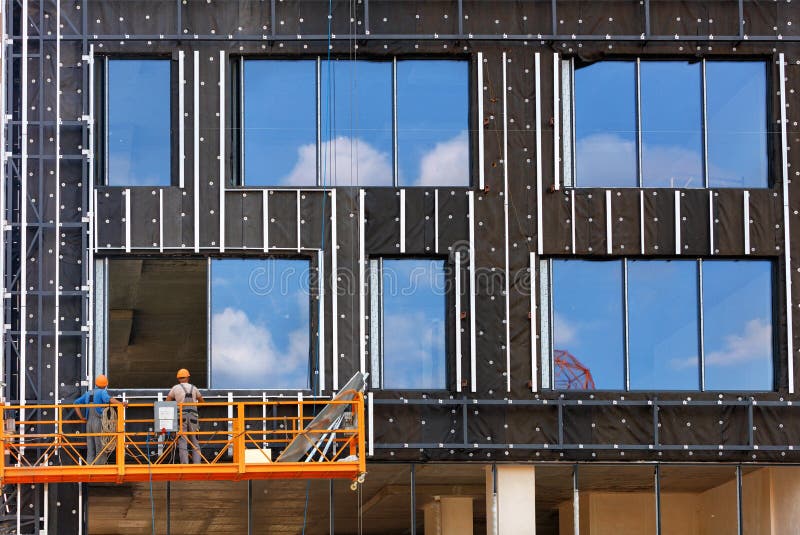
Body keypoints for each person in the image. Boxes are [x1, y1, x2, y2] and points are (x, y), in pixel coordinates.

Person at [75, 374, 127, 465]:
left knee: (90, 449)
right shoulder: (102, 392)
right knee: (100, 448)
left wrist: (81, 417)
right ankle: (100, 469)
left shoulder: (88, 393)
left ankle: (89, 470)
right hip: (98, 422)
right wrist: (121, 403)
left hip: (88, 424)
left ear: (96, 383)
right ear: (105, 385)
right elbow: (110, 399)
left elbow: (76, 403)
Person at [166, 368, 205, 464]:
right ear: (188, 377)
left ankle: (185, 465)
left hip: (181, 417)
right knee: (195, 441)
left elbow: (167, 402)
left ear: (178, 379)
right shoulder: (194, 388)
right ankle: (197, 464)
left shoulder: (175, 388)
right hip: (193, 417)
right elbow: (202, 402)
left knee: (182, 441)